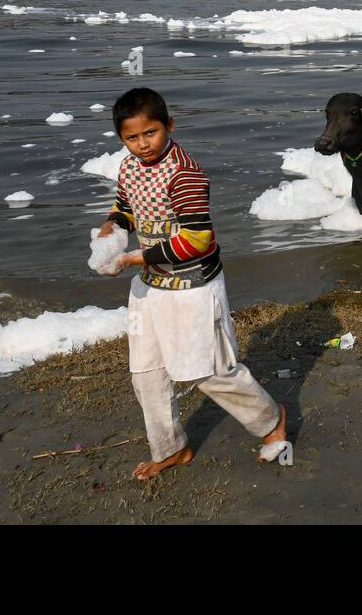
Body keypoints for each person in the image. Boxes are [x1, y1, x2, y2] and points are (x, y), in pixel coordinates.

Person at [98, 86, 287, 479]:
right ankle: (171, 449)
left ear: (169, 125)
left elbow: (198, 240)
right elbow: (126, 207)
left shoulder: (185, 174)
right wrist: (112, 228)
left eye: (150, 133)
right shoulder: (129, 167)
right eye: (131, 138)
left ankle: (271, 421)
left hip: (193, 287)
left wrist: (136, 256)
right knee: (146, 373)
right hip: (150, 285)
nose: (142, 144)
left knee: (207, 370)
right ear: (121, 139)